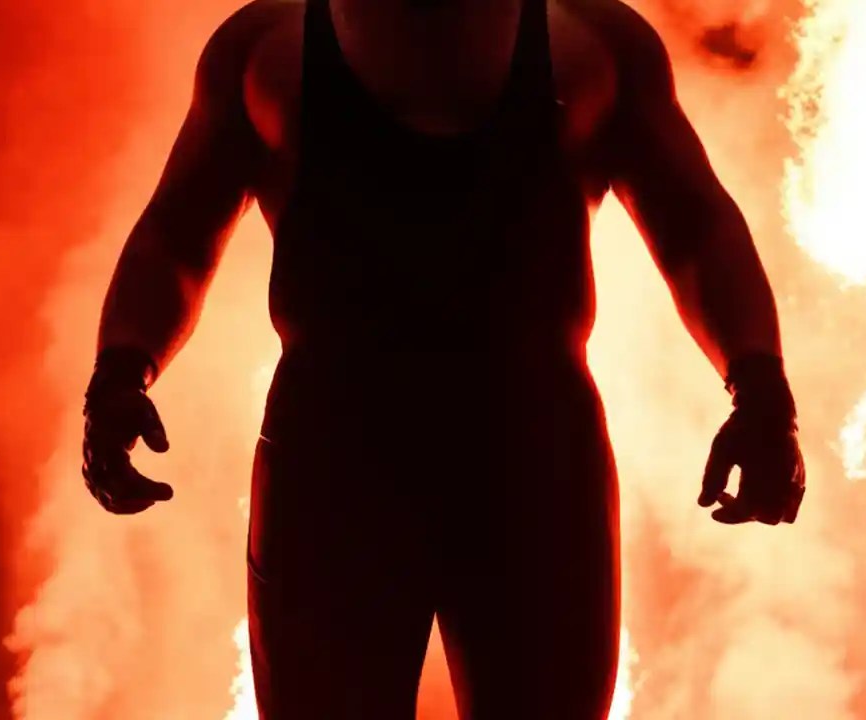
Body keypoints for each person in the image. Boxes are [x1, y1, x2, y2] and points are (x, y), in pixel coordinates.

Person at [79, 0, 806, 717]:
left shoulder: (590, 42)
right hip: (371, 463)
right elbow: (175, 236)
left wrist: (762, 390)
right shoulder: (268, 50)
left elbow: (696, 229)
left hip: (511, 463)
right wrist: (119, 371)